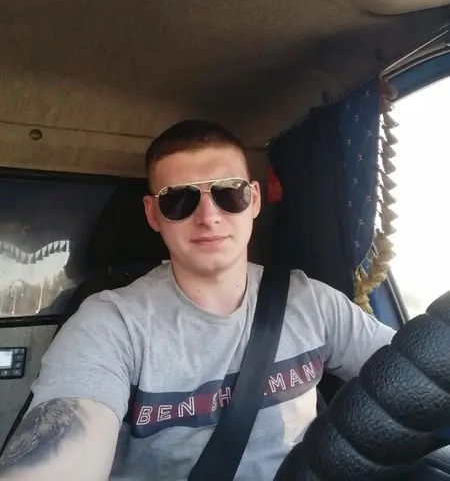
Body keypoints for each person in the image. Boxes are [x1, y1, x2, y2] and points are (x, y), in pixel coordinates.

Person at [0, 120, 395, 481]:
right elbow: (63, 449)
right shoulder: (111, 324)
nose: (208, 216)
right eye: (179, 200)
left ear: (254, 200)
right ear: (153, 214)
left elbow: (408, 377)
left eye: (229, 193)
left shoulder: (313, 302)